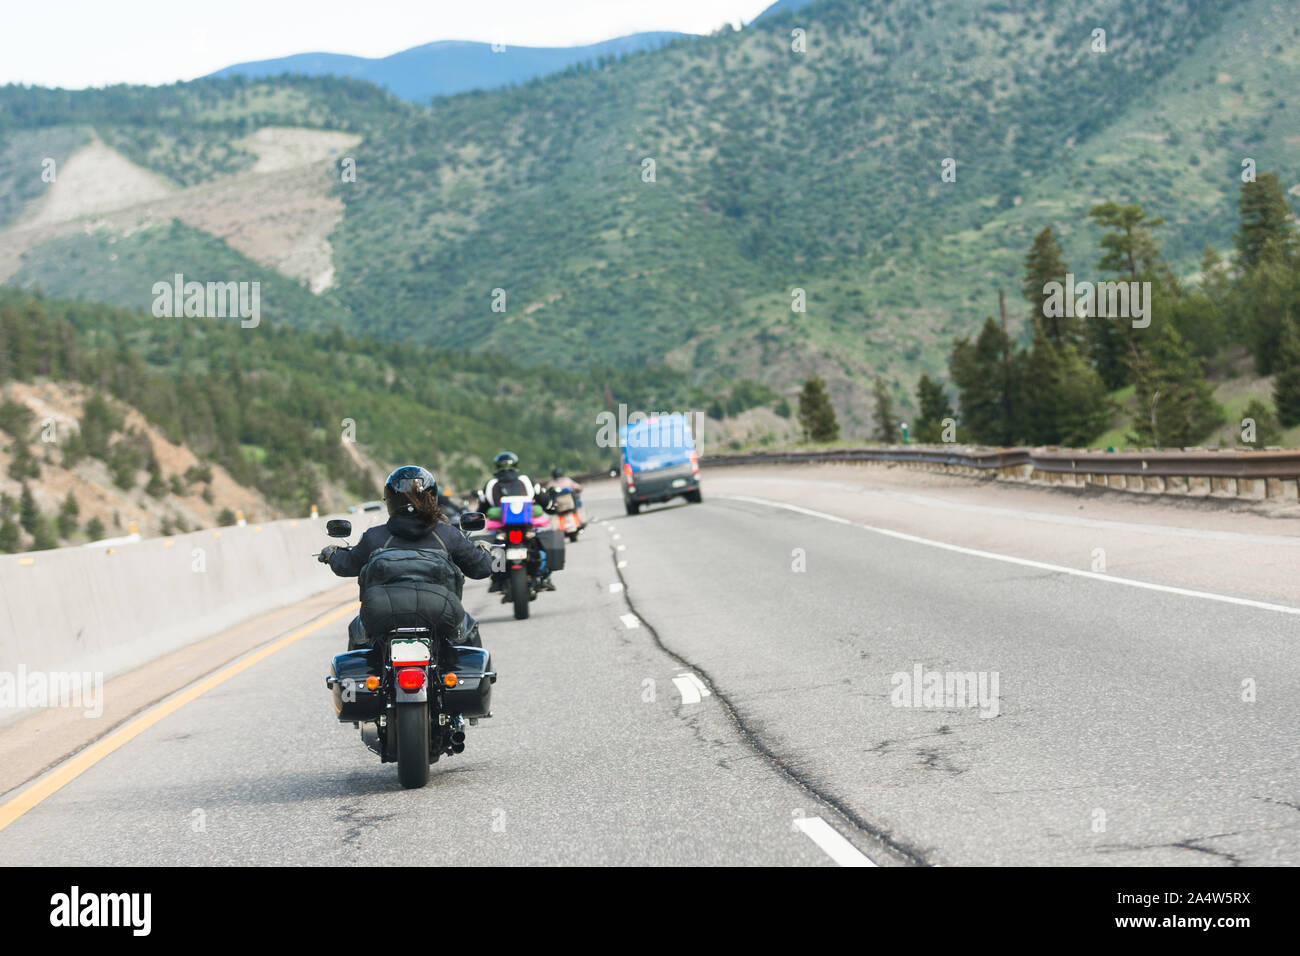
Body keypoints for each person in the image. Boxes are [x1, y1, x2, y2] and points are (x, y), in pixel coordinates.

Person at [320, 464, 494, 646]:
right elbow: (480, 569)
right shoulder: (447, 535)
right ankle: (470, 675)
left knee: (357, 630)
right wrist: (485, 550)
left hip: (380, 613)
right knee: (469, 629)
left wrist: (332, 554)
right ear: (432, 498)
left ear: (390, 500)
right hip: (441, 612)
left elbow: (347, 565)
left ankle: (363, 674)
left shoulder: (375, 537)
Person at [480, 451, 556, 591]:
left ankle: (497, 580)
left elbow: (482, 509)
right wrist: (552, 507)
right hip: (526, 525)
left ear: (497, 466)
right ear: (516, 465)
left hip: (502, 529)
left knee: (494, 546)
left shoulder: (490, 485)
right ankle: (545, 576)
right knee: (541, 542)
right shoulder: (527, 481)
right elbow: (544, 499)